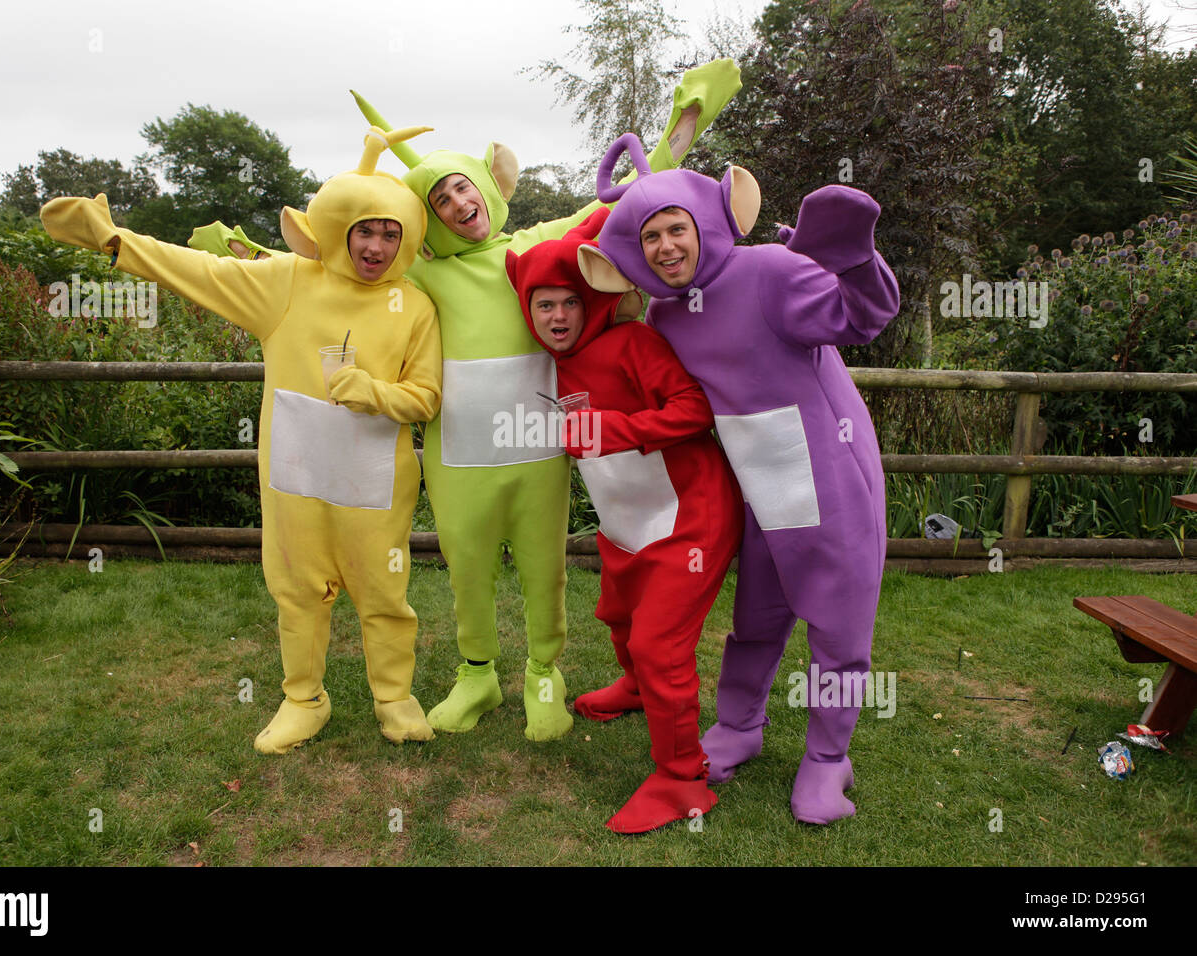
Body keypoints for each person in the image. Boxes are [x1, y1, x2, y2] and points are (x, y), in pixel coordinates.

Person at [349, 59, 742, 741]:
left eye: (461, 189)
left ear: (484, 188)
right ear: (429, 217)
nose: (456, 205)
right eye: (437, 200)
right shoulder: (421, 270)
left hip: (540, 452)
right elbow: (354, 238)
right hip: (458, 458)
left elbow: (626, 195)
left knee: (543, 568)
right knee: (466, 568)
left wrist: (688, 119)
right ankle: (476, 673)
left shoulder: (539, 246)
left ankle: (543, 673)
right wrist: (353, 176)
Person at [40, 127, 443, 753]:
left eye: (391, 232)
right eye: (365, 229)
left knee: (384, 594)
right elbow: (197, 269)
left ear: (408, 237)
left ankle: (394, 697)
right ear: (339, 229)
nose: (376, 245)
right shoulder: (286, 281)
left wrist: (375, 393)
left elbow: (427, 398)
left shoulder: (414, 305)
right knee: (296, 590)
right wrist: (114, 238)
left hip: (375, 484)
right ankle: (302, 699)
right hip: (296, 478)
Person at [578, 134, 900, 824]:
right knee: (755, 620)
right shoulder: (664, 313)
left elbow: (862, 318)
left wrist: (854, 261)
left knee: (839, 635)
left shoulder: (772, 271)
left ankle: (825, 758)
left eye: (675, 229)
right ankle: (740, 726)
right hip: (756, 488)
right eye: (650, 237)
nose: (666, 246)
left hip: (831, 481)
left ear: (701, 223)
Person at [505, 208, 743, 833]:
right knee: (618, 616)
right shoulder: (546, 367)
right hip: (625, 520)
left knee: (659, 644)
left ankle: (682, 781)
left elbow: (695, 409)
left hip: (689, 515)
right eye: (543, 305)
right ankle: (638, 691)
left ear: (590, 302)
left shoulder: (633, 343)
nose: (557, 317)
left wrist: (619, 429)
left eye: (568, 304)